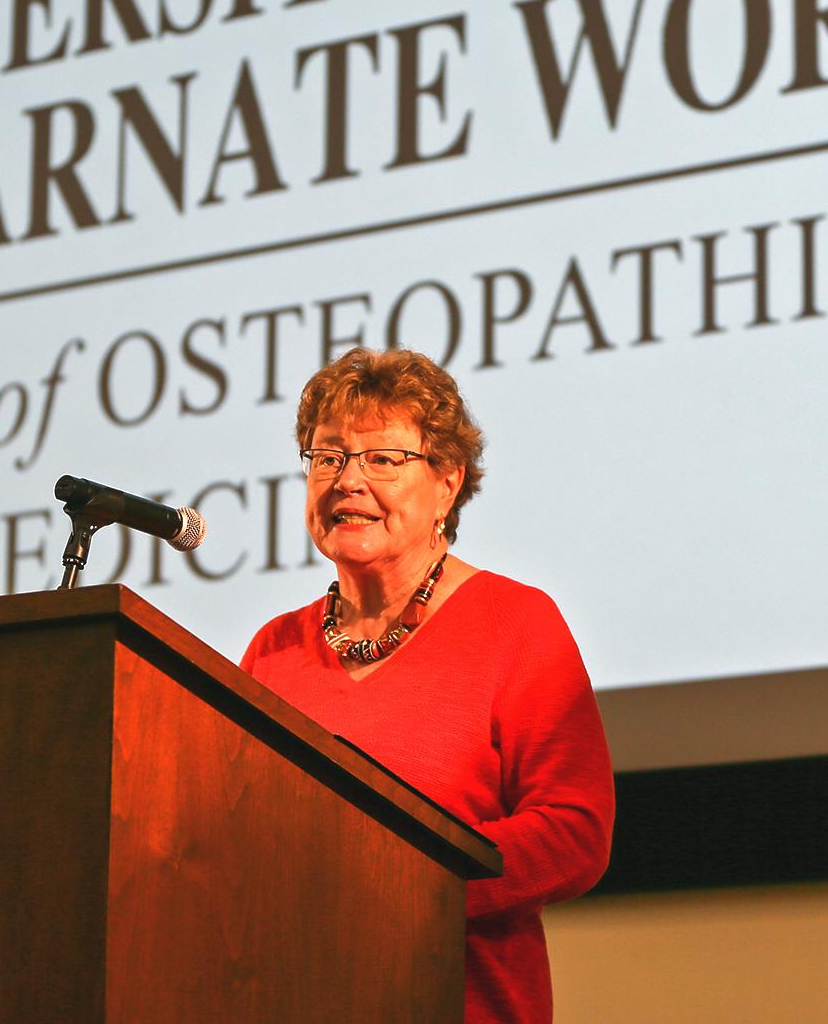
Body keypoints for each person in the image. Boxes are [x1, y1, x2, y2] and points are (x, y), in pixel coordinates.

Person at [241, 347, 614, 1023]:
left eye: (382, 458)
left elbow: (574, 831)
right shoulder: (273, 650)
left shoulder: (516, 623)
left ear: (448, 481)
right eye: (328, 457)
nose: (348, 479)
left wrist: (403, 882)